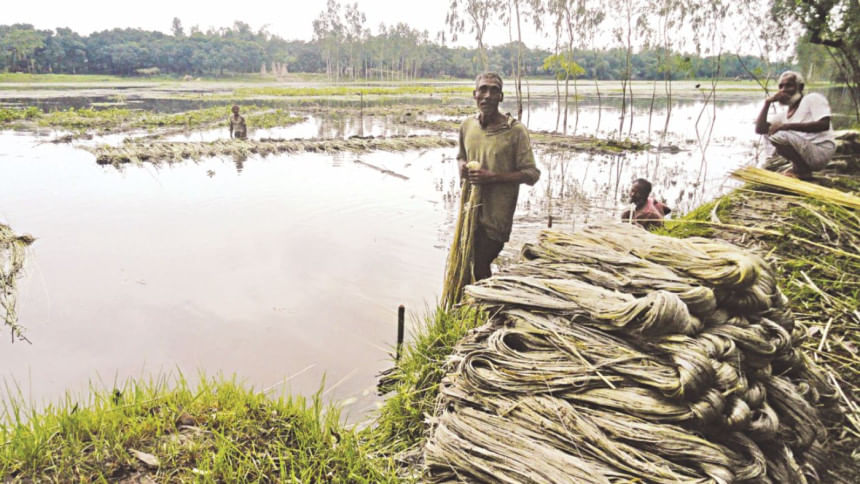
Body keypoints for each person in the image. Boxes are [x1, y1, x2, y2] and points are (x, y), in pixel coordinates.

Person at [457, 72, 540, 281]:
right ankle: (471, 298)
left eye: (494, 91)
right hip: (470, 212)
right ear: (475, 94)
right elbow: (461, 156)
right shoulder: (467, 126)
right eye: (483, 89)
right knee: (466, 262)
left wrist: (493, 177)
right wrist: (462, 167)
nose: (488, 95)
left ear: (501, 97)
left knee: (481, 263)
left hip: (497, 216)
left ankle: (486, 299)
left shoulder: (515, 131)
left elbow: (532, 175)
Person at [755, 71, 835, 180]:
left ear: (800, 87)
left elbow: (824, 124)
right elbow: (760, 129)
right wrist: (767, 102)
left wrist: (786, 126)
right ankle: (797, 168)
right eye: (781, 86)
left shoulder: (812, 98)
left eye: (789, 86)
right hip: (805, 152)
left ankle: (802, 171)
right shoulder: (783, 115)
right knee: (771, 133)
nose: (783, 90)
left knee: (779, 135)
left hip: (820, 151)